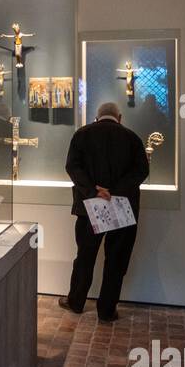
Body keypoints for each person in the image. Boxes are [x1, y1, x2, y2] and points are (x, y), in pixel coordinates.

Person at [61, 101, 150, 321]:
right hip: (122, 207)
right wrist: (115, 191)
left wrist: (93, 191)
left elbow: (72, 166)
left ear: (97, 116)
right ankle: (107, 310)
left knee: (85, 256)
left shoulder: (81, 135)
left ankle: (76, 301)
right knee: (116, 259)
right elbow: (141, 170)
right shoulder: (132, 138)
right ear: (119, 117)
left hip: (89, 207)